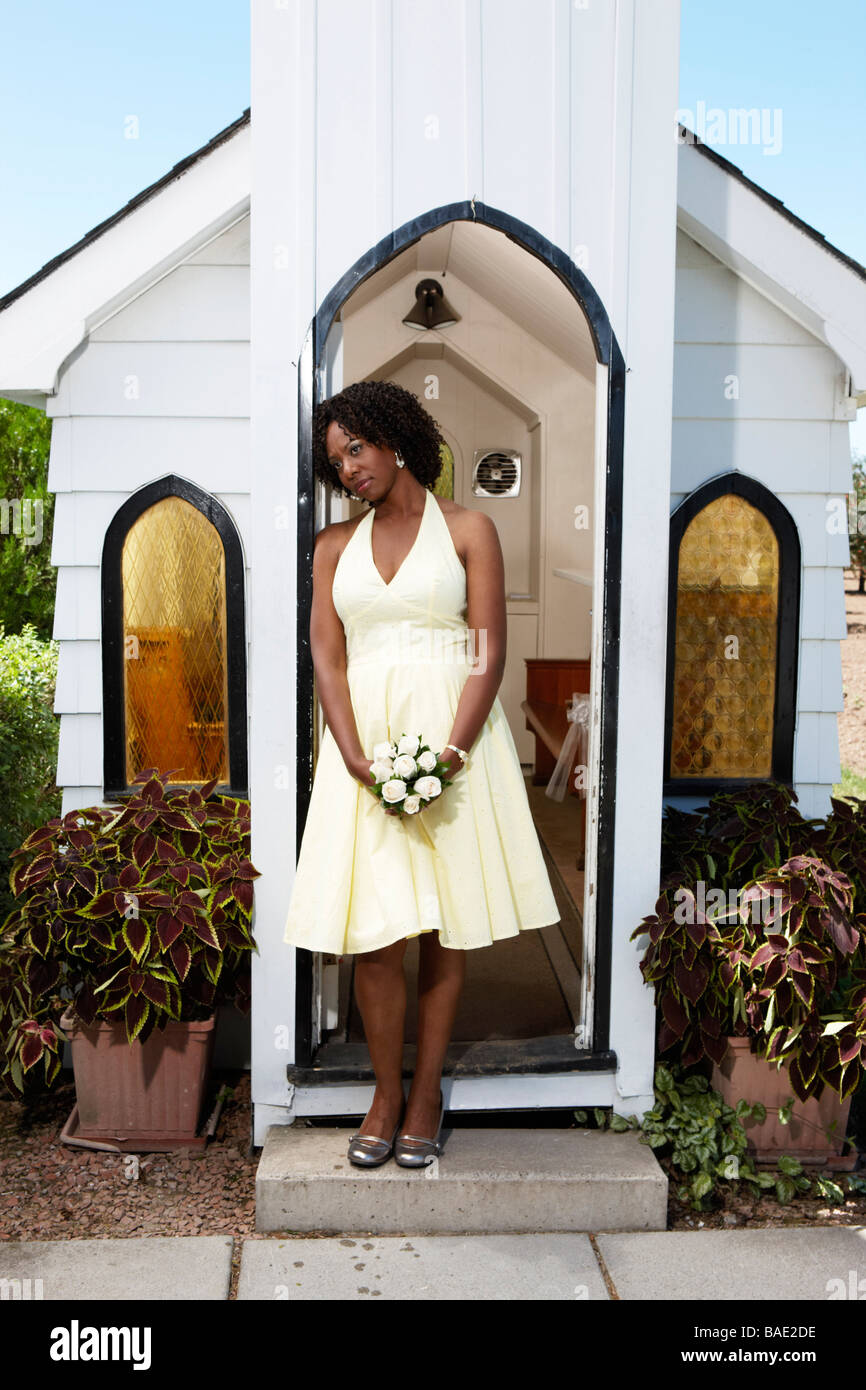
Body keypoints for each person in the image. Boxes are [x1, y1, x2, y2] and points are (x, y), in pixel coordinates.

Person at [283, 379, 561, 1167]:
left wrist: (453, 751)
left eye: (357, 448)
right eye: (336, 461)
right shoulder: (333, 548)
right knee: (376, 929)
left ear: (395, 436)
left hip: (455, 744)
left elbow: (487, 650)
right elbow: (327, 658)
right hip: (363, 754)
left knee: (443, 922)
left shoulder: (472, 527)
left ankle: (428, 1088)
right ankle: (384, 1091)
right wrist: (350, 753)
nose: (349, 469)